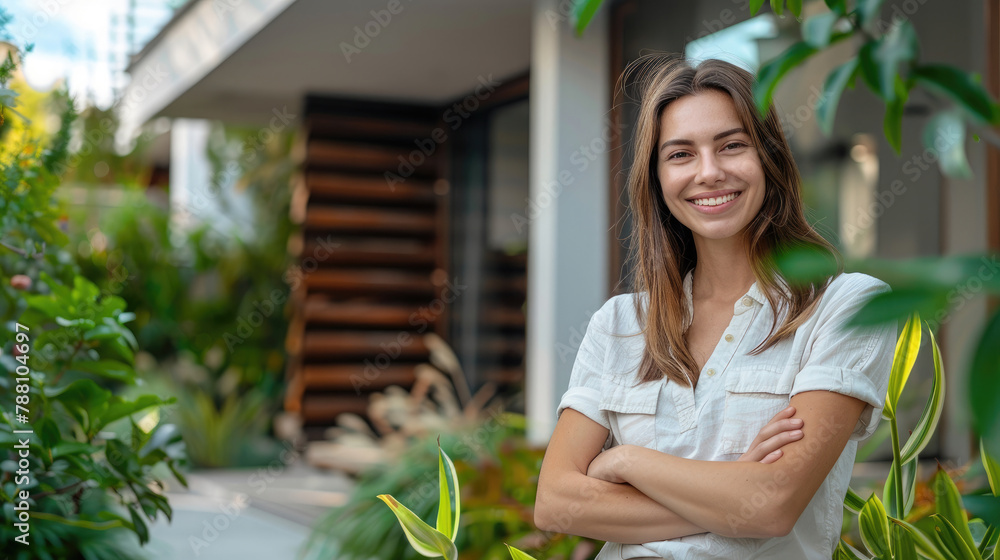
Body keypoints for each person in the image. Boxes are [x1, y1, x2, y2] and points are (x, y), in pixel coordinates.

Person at [533, 54, 898, 559]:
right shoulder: (619, 324)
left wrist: (628, 463)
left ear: (768, 157)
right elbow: (555, 503)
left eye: (731, 146)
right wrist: (731, 492)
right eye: (680, 154)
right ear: (657, 178)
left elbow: (772, 506)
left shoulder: (847, 306)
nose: (709, 172)